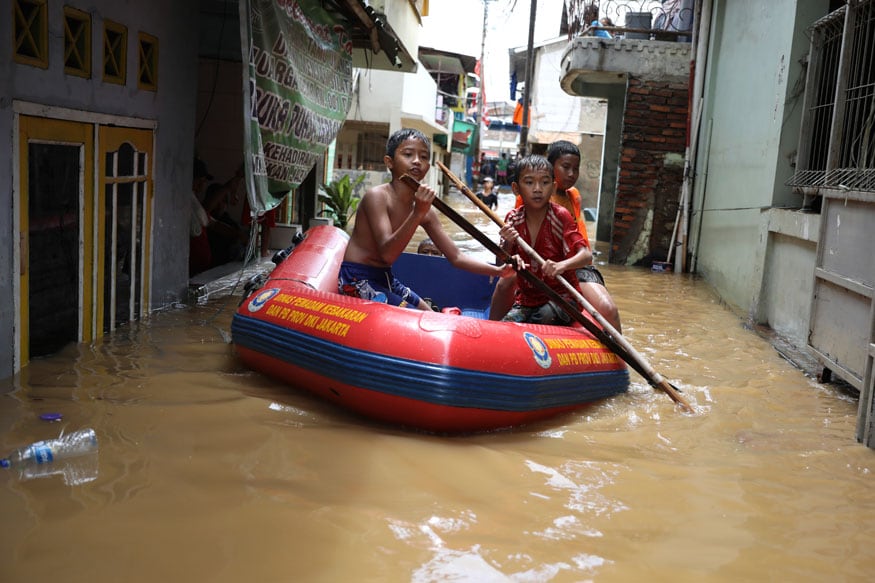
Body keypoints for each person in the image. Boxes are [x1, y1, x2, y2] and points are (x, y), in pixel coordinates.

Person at [338, 128, 521, 311]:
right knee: (414, 317)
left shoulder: (424, 209)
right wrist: (418, 212)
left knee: (430, 313)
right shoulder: (377, 197)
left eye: (424, 157)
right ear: (389, 162)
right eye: (408, 154)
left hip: (385, 277)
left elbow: (456, 256)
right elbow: (388, 254)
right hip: (356, 278)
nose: (417, 161)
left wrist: (498, 271)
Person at [489, 140, 622, 331]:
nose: (571, 174)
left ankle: (618, 357)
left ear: (550, 184)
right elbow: (506, 258)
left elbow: (583, 252)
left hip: (572, 265)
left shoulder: (570, 199)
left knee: (608, 308)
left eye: (575, 169)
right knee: (505, 281)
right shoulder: (522, 207)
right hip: (539, 270)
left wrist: (562, 265)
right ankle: (491, 330)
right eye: (565, 167)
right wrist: (510, 250)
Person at [495, 154, 590, 326]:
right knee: (508, 323)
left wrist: (561, 266)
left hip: (563, 297)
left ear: (553, 187)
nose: (538, 189)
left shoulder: (561, 216)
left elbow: (586, 256)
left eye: (545, 183)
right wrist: (509, 250)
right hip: (527, 300)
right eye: (529, 182)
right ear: (516, 188)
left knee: (541, 317)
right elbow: (501, 262)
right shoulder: (513, 219)